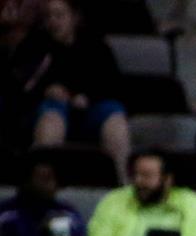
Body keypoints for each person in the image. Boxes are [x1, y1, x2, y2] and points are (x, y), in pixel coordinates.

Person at [22, 0, 129, 174]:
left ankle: (121, 181)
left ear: (74, 17)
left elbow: (113, 86)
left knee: (115, 116)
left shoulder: (96, 47)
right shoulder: (36, 47)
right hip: (52, 111)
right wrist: (46, 91)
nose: (53, 21)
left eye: (59, 15)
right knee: (51, 117)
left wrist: (88, 97)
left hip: (90, 111)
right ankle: (43, 178)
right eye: (48, 16)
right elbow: (24, 89)